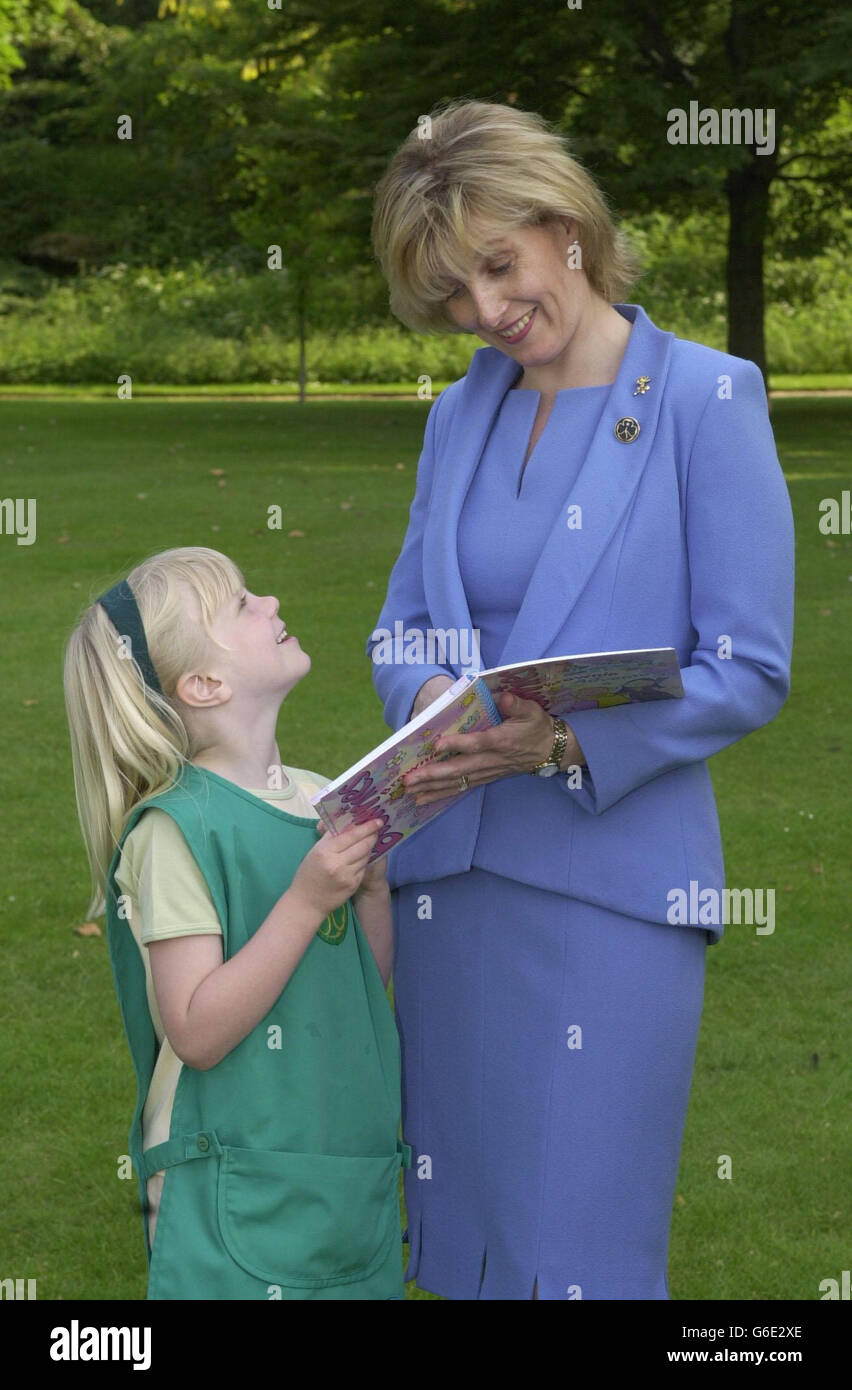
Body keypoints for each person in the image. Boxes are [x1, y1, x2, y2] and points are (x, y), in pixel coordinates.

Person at [367, 100, 794, 1300]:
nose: (485, 313)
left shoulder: (710, 401)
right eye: (452, 293)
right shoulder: (458, 413)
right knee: (456, 1249)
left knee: (575, 1259)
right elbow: (401, 624)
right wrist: (437, 690)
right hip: (444, 882)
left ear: (566, 225)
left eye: (496, 267)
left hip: (610, 894)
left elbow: (749, 665)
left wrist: (558, 742)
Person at [63, 545, 409, 1300]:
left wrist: (373, 892)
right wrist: (306, 900)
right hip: (234, 1196)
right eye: (243, 605)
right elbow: (196, 1028)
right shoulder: (177, 832)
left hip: (342, 1179)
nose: (273, 603)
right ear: (205, 684)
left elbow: (354, 986)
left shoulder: (324, 799)